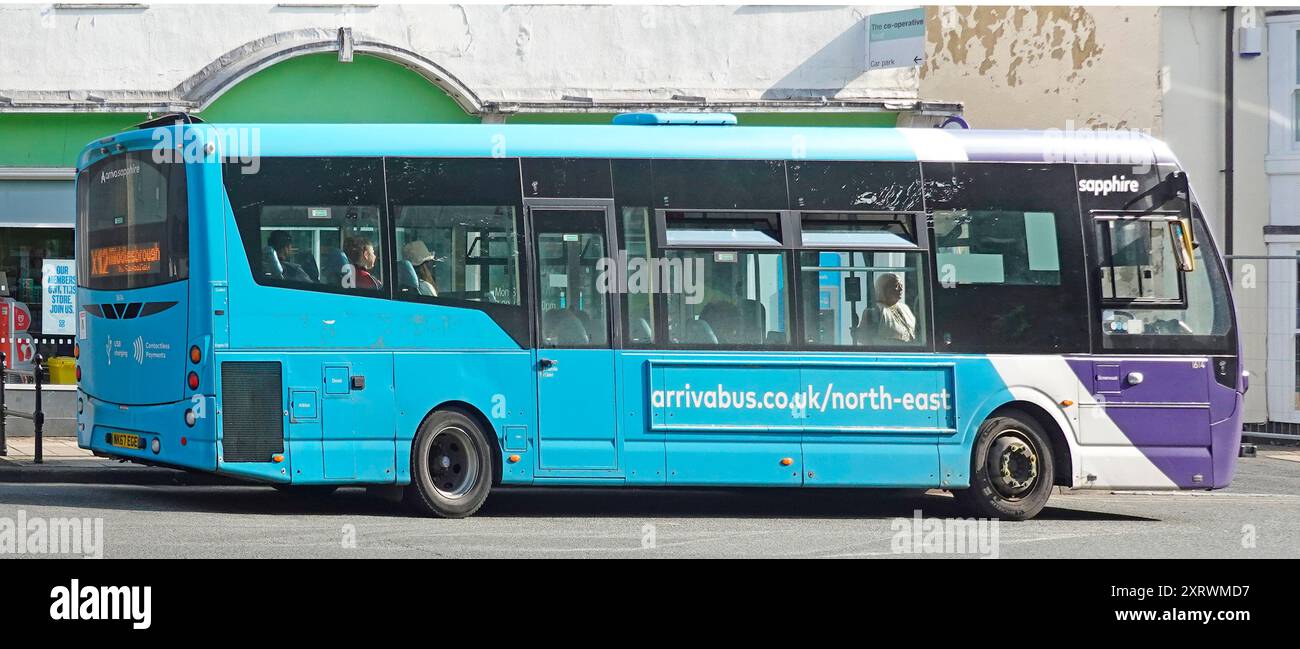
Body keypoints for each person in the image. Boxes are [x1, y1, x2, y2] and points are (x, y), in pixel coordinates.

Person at [858, 273, 916, 343]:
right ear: (883, 288)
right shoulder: (875, 311)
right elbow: (866, 341)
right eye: (896, 285)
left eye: (901, 285)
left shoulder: (905, 308)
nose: (901, 289)